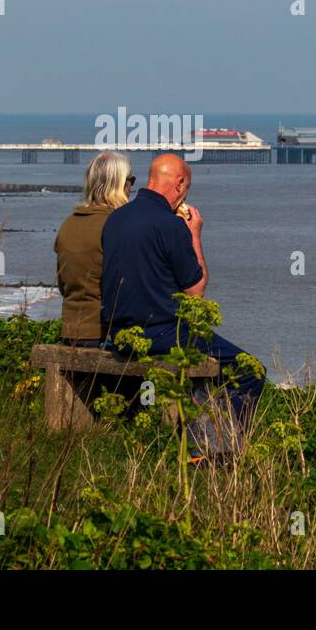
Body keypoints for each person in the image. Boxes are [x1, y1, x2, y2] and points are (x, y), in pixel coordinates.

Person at [100, 153, 264, 458]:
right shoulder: (170, 225)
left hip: (118, 333)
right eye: (186, 190)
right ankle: (215, 451)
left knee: (203, 370)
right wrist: (194, 235)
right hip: (161, 335)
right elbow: (195, 291)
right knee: (250, 371)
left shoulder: (115, 219)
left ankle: (195, 440)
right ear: (179, 184)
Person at [53, 151, 134, 346]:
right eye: (130, 180)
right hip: (105, 334)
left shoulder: (68, 224)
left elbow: (63, 284)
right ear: (120, 185)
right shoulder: (118, 225)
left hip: (71, 331)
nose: (131, 187)